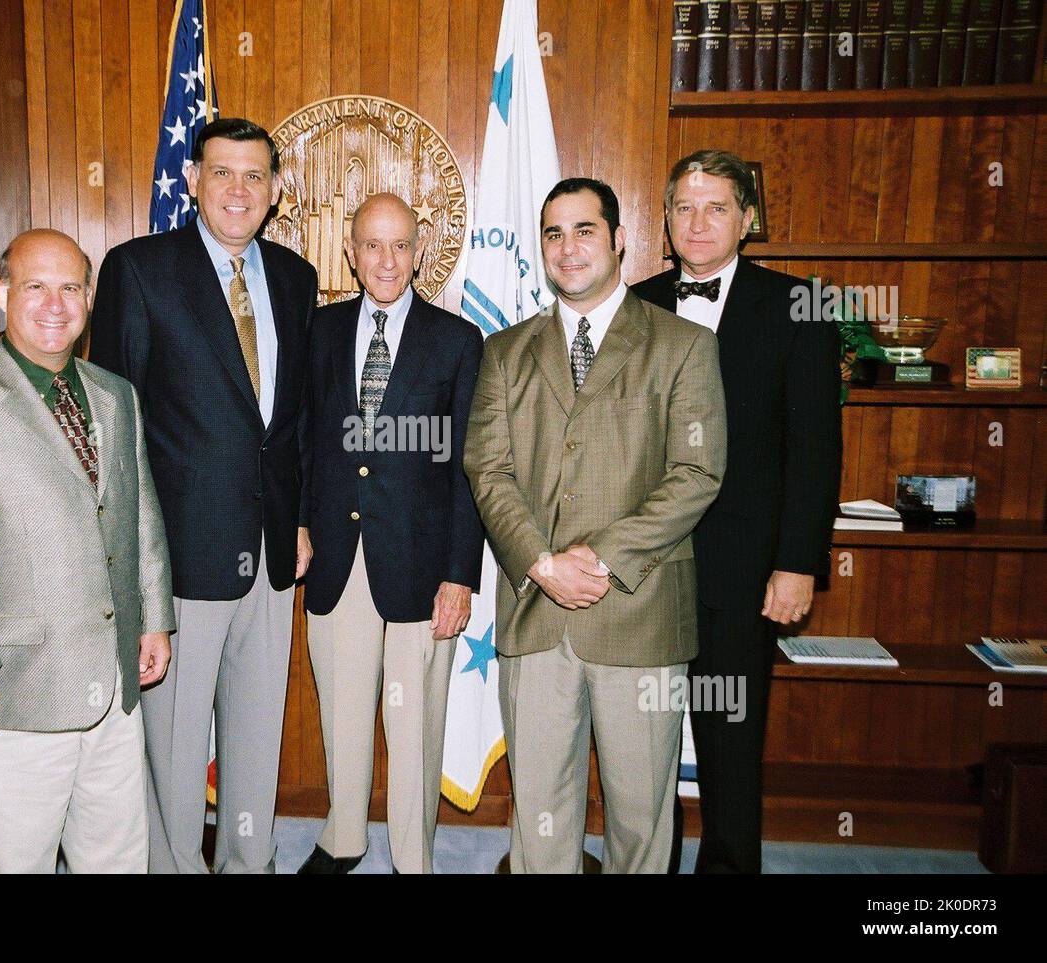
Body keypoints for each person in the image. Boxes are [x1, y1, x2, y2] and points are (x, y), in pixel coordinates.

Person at [464, 177, 726, 873]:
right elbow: (487, 470)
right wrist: (543, 562)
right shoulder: (504, 352)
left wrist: (598, 558)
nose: (569, 247)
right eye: (553, 233)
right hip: (536, 611)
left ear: (618, 240)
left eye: (585, 230)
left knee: (641, 819)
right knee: (541, 813)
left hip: (638, 614)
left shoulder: (682, 346)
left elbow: (696, 473)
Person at [0, 228, 175, 873]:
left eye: (71, 287)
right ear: (0, 294)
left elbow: (141, 516)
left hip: (114, 688)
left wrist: (155, 615)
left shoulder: (115, 395)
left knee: (116, 859)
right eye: (36, 287)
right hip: (13, 692)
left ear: (89, 298)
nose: (56, 304)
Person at [88, 117, 317, 874]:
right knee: (177, 750)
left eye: (255, 175)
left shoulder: (293, 276)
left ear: (276, 191)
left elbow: (296, 419)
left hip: (272, 550)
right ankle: (176, 865)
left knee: (256, 735)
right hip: (180, 558)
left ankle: (250, 862)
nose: (239, 190)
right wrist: (134, 561)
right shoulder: (139, 269)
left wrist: (305, 517)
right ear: (192, 181)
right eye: (222, 172)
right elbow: (114, 430)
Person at [633, 149, 841, 874]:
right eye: (684, 207)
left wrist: (797, 563)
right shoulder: (635, 303)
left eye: (717, 206)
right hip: (646, 571)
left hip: (747, 572)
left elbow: (816, 450)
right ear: (664, 220)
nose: (698, 222)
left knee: (729, 741)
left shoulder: (798, 307)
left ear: (748, 220)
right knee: (645, 741)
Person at [298, 194, 484, 874]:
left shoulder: (457, 341)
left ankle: (414, 855)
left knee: (415, 725)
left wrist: (461, 572)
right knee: (343, 712)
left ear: (420, 252)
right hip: (336, 556)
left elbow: (471, 466)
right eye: (371, 245)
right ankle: (344, 834)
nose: (386, 259)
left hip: (422, 566)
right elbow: (299, 440)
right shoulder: (316, 331)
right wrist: (296, 523)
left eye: (400, 245)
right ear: (350, 252)